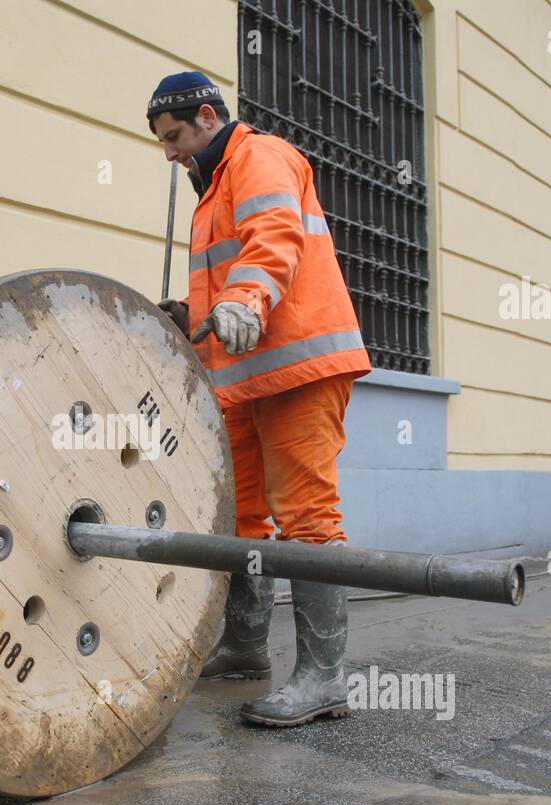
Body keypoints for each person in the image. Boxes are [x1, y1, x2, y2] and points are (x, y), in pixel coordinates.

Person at [147, 72, 371, 726]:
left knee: (307, 516)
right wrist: (194, 310)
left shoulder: (259, 157)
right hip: (244, 373)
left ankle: (325, 677)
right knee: (243, 513)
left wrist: (245, 299)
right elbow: (236, 264)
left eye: (174, 137)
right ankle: (245, 647)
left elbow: (275, 236)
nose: (168, 153)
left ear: (208, 116)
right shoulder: (211, 188)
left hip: (300, 364)